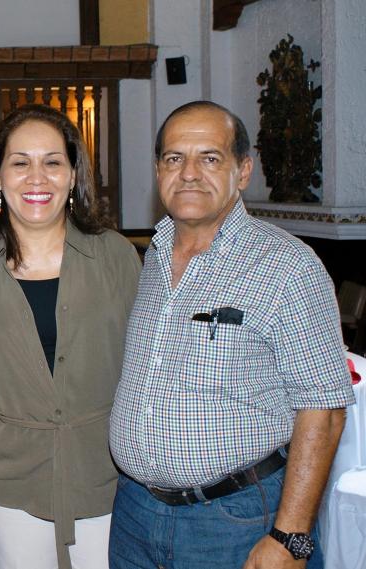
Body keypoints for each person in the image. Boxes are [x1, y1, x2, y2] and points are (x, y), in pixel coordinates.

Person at [108, 100, 355, 568]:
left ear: (243, 171)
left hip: (233, 519)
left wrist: (290, 538)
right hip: (135, 512)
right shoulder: (151, 258)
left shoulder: (288, 266)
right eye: (174, 158)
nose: (189, 173)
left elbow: (323, 411)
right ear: (159, 170)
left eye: (210, 157)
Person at [0, 104, 140, 569]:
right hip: (11, 485)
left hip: (106, 479)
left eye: (52, 162)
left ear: (73, 174)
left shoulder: (116, 256)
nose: (36, 177)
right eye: (20, 162)